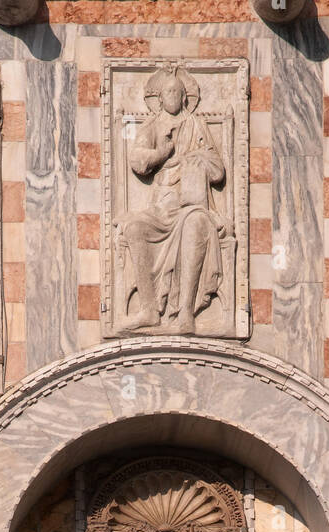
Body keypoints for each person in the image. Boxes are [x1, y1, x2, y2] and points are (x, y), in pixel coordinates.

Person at [116, 68, 226, 334]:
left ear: (185, 97)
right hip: (162, 205)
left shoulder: (196, 126)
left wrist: (200, 159)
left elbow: (218, 171)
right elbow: (138, 161)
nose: (173, 96)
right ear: (160, 98)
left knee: (195, 224)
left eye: (178, 92)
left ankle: (186, 311)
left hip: (193, 204)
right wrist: (162, 153)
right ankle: (149, 310)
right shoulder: (151, 127)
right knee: (134, 227)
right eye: (168, 92)